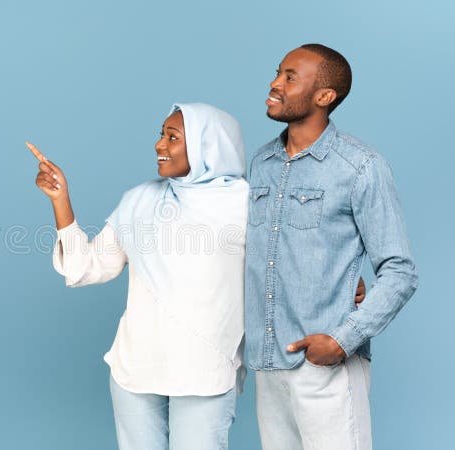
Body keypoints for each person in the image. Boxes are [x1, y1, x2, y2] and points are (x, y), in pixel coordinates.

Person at [27, 103, 248, 449]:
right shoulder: (140, 200)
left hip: (205, 371)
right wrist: (61, 200)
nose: (160, 145)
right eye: (161, 135)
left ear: (209, 145)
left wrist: (346, 287)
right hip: (136, 370)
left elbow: (282, 270)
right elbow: (85, 267)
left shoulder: (245, 205)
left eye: (172, 137)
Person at [245, 43, 419, 450]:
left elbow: (400, 271)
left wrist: (343, 339)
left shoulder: (360, 166)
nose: (274, 83)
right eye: (277, 72)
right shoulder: (261, 163)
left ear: (324, 97)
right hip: (268, 363)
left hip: (324, 363)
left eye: (290, 77)